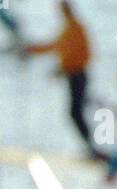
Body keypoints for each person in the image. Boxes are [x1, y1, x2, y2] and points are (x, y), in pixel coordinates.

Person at [24, 2, 94, 155]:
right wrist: (33, 49)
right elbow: (57, 46)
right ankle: (90, 146)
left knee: (76, 112)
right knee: (77, 111)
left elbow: (79, 53)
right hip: (74, 74)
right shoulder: (68, 28)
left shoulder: (74, 27)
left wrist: (64, 68)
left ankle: (91, 146)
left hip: (78, 74)